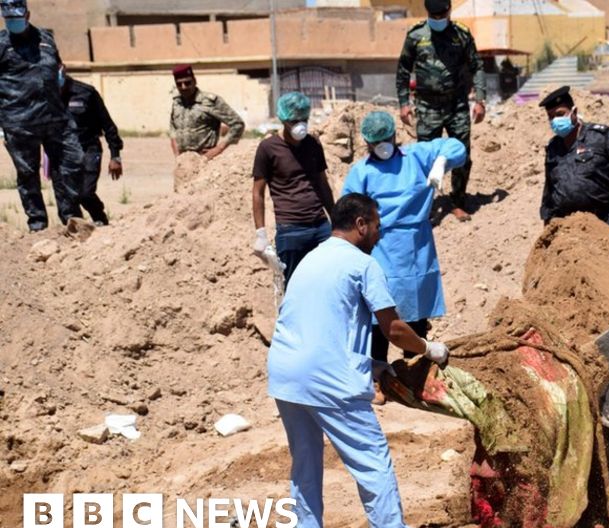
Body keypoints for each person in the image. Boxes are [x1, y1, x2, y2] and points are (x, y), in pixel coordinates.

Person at [267, 193, 449, 528]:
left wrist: (373, 363)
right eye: (377, 226)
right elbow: (396, 329)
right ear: (362, 224)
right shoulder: (362, 264)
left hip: (286, 375)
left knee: (304, 466)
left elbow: (324, 327)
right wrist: (430, 348)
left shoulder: (312, 259)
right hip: (329, 381)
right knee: (372, 462)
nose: (379, 234)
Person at [341, 111, 466, 362]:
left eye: (385, 139)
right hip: (381, 245)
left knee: (417, 314)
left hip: (417, 245)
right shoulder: (362, 172)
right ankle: (378, 376)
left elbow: (457, 146)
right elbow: (348, 211)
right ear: (366, 143)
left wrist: (442, 161)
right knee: (379, 315)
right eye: (376, 142)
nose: (382, 146)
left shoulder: (417, 156)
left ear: (395, 135)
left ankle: (415, 369)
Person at [395, 0, 485, 222]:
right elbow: (403, 70)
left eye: (441, 15)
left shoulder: (461, 35)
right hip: (427, 107)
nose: (437, 20)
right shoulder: (416, 35)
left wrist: (480, 100)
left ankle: (457, 202)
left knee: (461, 155)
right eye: (433, 16)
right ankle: (426, 205)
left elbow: (477, 66)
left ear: (449, 11)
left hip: (457, 106)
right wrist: (404, 103)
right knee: (424, 157)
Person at [0, 0, 83, 231]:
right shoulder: (1, 44)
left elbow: (58, 66)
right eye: (8, 18)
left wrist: (60, 78)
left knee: (70, 165)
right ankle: (38, 226)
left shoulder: (46, 39)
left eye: (16, 16)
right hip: (19, 123)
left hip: (55, 118)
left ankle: (71, 220)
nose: (12, 21)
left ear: (27, 14)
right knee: (28, 174)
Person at [251, 92, 334, 288]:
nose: (300, 124)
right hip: (291, 230)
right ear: (283, 120)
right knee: (294, 287)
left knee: (326, 283)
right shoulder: (268, 148)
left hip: (320, 226)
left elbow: (322, 183)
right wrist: (261, 234)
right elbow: (257, 192)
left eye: (304, 119)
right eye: (294, 120)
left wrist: (335, 218)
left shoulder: (313, 144)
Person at [539, 85, 609, 231]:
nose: (555, 120)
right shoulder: (553, 148)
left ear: (574, 112)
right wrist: (547, 224)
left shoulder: (601, 136)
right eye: (551, 117)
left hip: (605, 223)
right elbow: (550, 190)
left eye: (560, 114)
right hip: (568, 228)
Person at [56, 64, 123, 226]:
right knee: (68, 196)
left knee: (85, 192)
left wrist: (115, 156)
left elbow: (108, 126)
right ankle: (78, 229)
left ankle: (100, 218)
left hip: (89, 149)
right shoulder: (48, 96)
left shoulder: (86, 93)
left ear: (62, 70)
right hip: (63, 154)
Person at [168, 64, 244, 159]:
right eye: (179, 84)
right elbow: (173, 129)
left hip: (206, 160)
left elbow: (237, 124)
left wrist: (219, 149)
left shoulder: (209, 101)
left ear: (194, 81)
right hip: (183, 161)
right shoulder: (177, 103)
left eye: (187, 83)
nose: (183, 87)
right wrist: (177, 155)